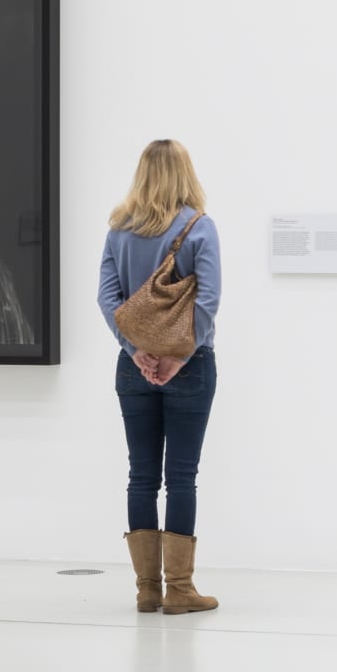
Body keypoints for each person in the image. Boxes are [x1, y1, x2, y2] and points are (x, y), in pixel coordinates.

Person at [96, 138, 222, 616]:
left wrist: (137, 350)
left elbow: (108, 300)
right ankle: (181, 590)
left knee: (141, 475)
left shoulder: (118, 231)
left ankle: (147, 588)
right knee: (182, 476)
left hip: (134, 369)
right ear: (185, 173)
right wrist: (180, 356)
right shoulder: (199, 228)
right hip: (191, 367)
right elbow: (208, 300)